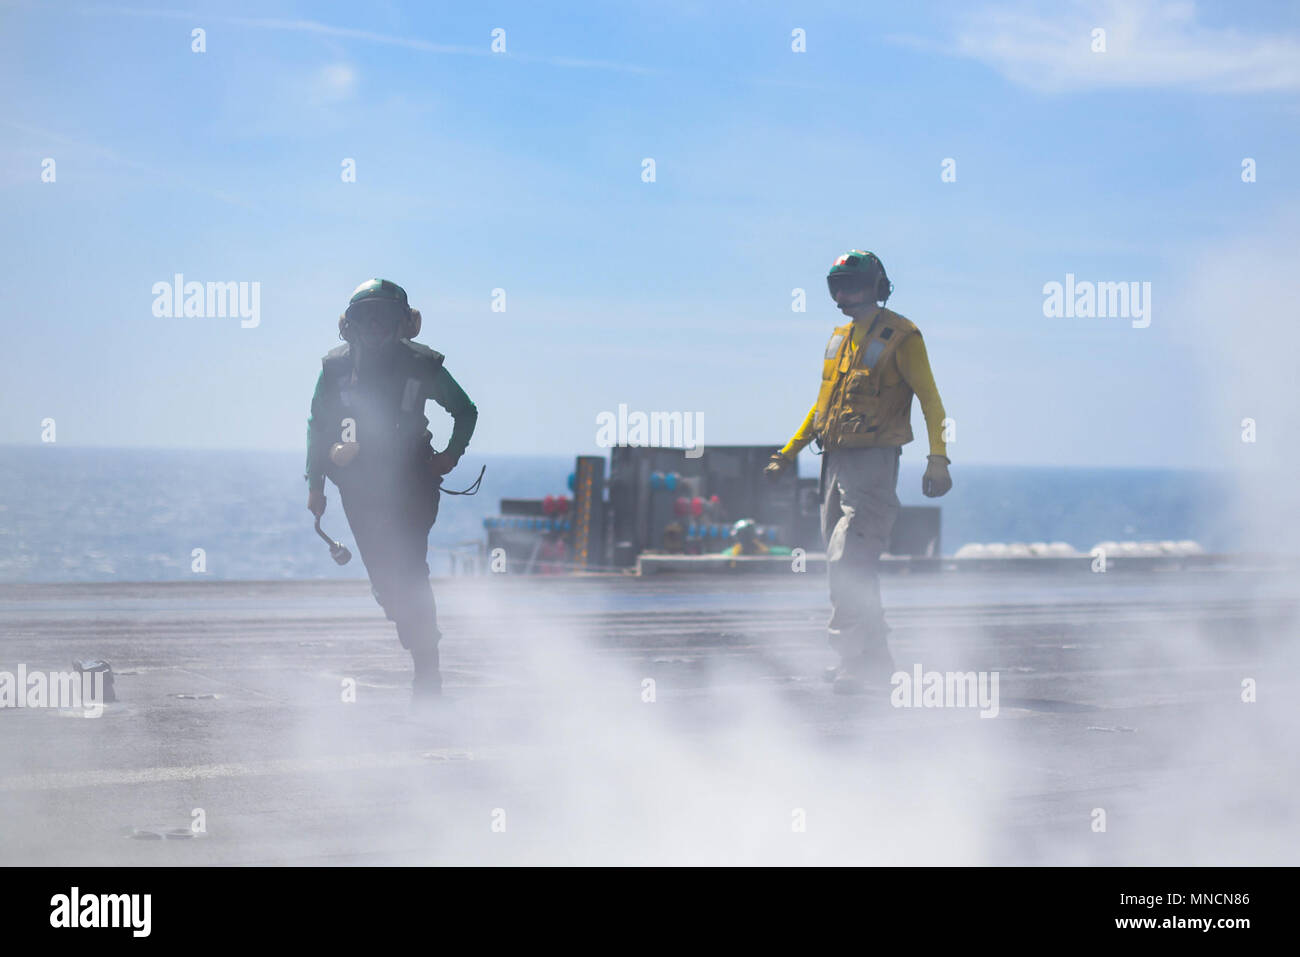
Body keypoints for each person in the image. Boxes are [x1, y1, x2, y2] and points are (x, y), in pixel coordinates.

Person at [765, 251, 952, 695]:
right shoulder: (838, 340)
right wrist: (788, 453)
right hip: (833, 463)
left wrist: (938, 457)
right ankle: (875, 661)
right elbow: (823, 406)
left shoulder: (902, 337)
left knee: (847, 563)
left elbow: (931, 400)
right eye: (836, 286)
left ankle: (854, 661)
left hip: (872, 466)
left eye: (850, 284)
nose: (842, 295)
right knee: (855, 568)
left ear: (876, 286)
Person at [305, 279, 478, 700]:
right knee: (386, 582)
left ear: (405, 323)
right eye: (368, 317)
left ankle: (427, 675)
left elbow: (464, 410)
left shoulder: (423, 366)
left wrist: (449, 456)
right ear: (351, 324)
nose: (376, 325)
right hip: (359, 488)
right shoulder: (335, 369)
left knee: (410, 570)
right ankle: (412, 629)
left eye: (386, 316)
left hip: (412, 483)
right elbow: (318, 428)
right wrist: (316, 487)